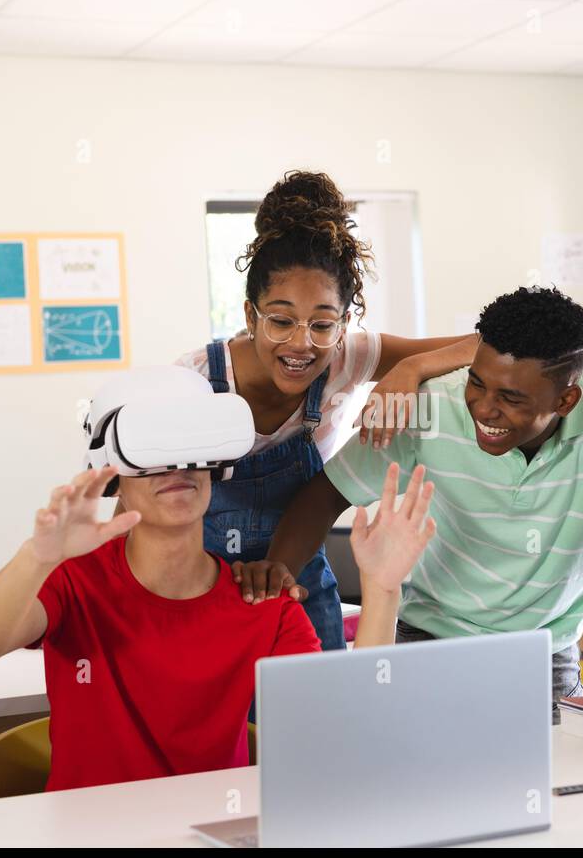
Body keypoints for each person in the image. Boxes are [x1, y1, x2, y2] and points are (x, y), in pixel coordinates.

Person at [0, 368, 435, 791]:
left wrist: (382, 589)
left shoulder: (262, 602)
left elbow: (349, 725)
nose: (176, 469)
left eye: (191, 450)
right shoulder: (76, 581)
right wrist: (37, 556)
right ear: (113, 471)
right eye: (151, 451)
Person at [238, 285, 583, 722]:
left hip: (544, 654)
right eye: (476, 383)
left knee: (558, 794)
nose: (483, 408)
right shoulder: (432, 405)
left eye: (511, 399)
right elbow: (325, 493)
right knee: (426, 790)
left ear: (567, 399)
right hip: (429, 644)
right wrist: (279, 567)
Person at [175, 170, 477, 651]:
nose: (301, 343)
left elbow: (490, 345)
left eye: (322, 323)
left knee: (326, 715)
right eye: (280, 320)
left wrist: (413, 367)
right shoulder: (192, 383)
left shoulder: (349, 358)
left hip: (301, 586)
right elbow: (139, 505)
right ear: (251, 315)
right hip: (203, 588)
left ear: (344, 323)